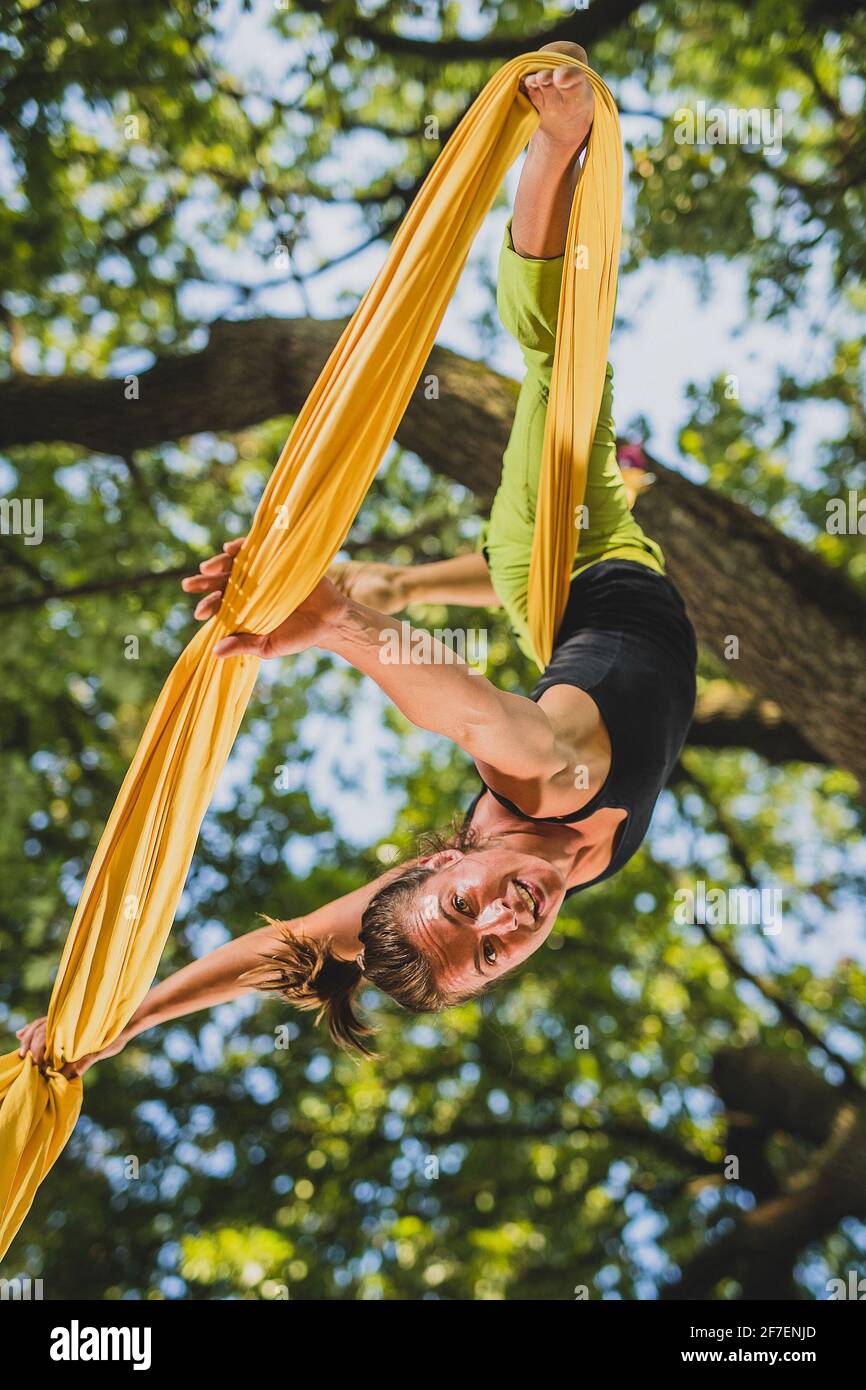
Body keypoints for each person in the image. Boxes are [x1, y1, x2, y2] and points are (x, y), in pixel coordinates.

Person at [17, 42, 695, 1071]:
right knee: (562, 379)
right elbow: (278, 950)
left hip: (564, 562)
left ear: (441, 857)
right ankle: (552, 168)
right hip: (575, 605)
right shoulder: (459, 892)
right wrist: (121, 1027)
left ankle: (552, 152)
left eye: (461, 911)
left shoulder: (537, 782)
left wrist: (342, 623)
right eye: (491, 956)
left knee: (562, 362)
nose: (497, 922)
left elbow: (476, 713)